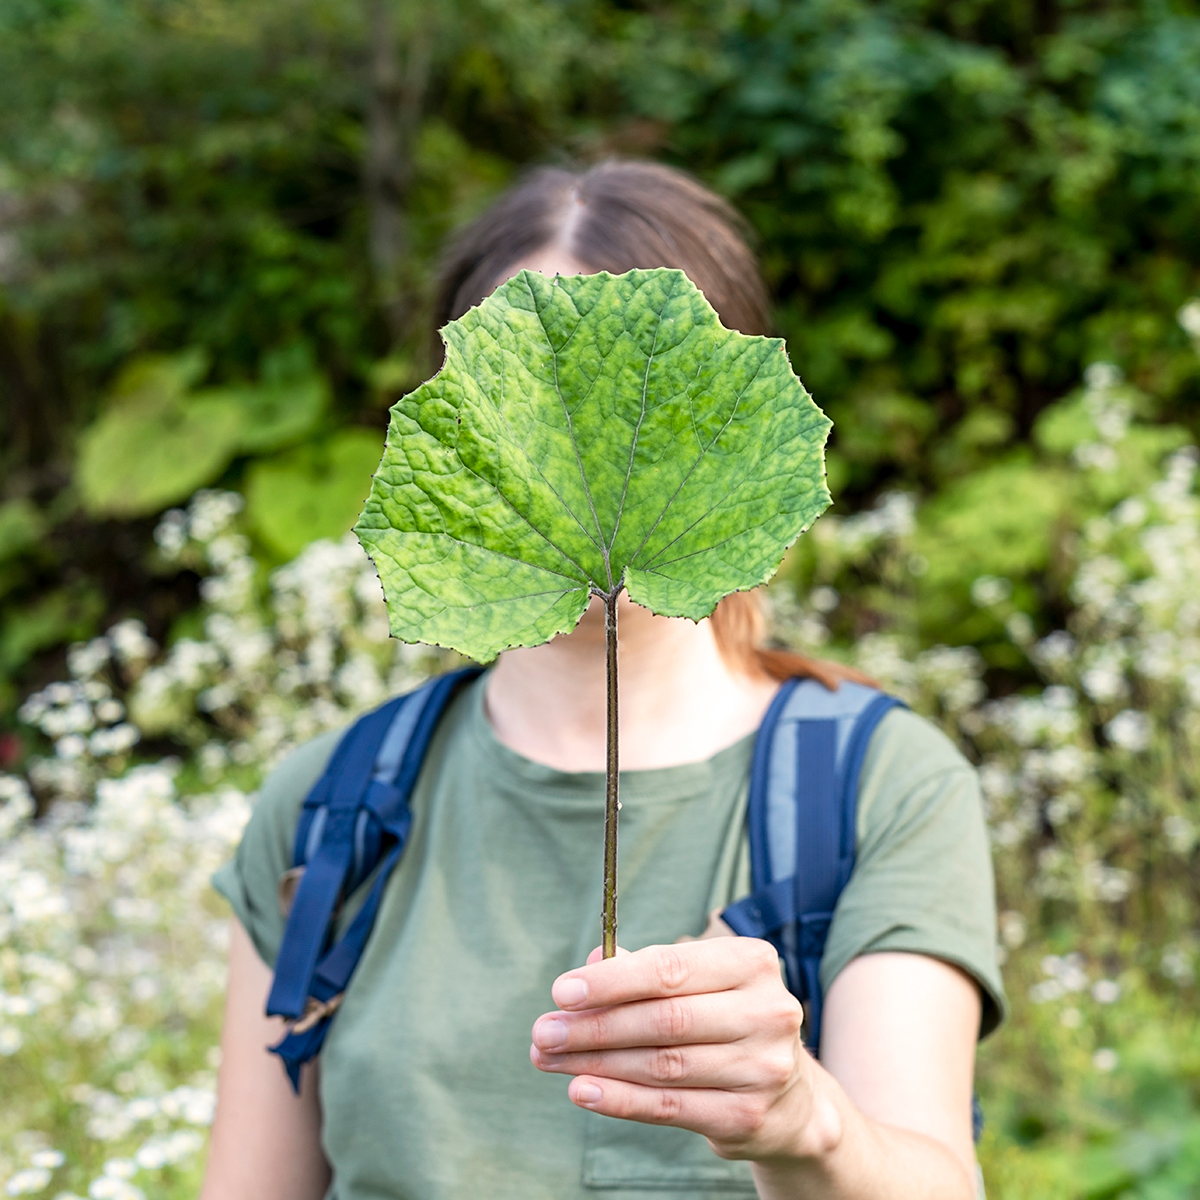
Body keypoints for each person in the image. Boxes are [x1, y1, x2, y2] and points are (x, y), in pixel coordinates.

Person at [201, 161, 1005, 1200]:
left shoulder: (875, 784)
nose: (579, 466)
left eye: (640, 408)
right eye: (533, 407)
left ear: (738, 428)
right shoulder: (328, 808)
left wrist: (806, 1123)